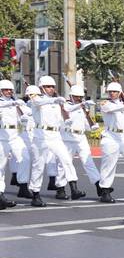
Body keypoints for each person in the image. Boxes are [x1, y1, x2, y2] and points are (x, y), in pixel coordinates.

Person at [28, 76, 80, 205]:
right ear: (41, 88)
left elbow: (68, 109)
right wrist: (54, 100)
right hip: (41, 135)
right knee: (38, 167)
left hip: (55, 136)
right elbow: (37, 102)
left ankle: (74, 188)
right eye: (47, 87)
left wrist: (81, 104)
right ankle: (35, 194)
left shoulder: (56, 102)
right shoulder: (36, 99)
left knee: (67, 160)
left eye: (52, 87)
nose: (51, 89)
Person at [57, 85, 100, 200]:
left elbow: (86, 126)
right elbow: (67, 110)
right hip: (67, 137)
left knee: (88, 162)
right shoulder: (64, 105)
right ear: (71, 96)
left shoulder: (81, 108)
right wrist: (80, 105)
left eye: (80, 97)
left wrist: (91, 122)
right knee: (64, 164)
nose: (78, 99)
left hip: (80, 138)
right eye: (76, 97)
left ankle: (98, 185)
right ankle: (60, 188)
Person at [0, 79, 31, 207]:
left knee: (25, 158)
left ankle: (23, 186)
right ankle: (0, 194)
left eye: (10, 90)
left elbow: (29, 111)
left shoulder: (15, 102)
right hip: (2, 136)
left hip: (15, 135)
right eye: (6, 90)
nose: (8, 92)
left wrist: (22, 106)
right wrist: (12, 104)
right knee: (1, 167)